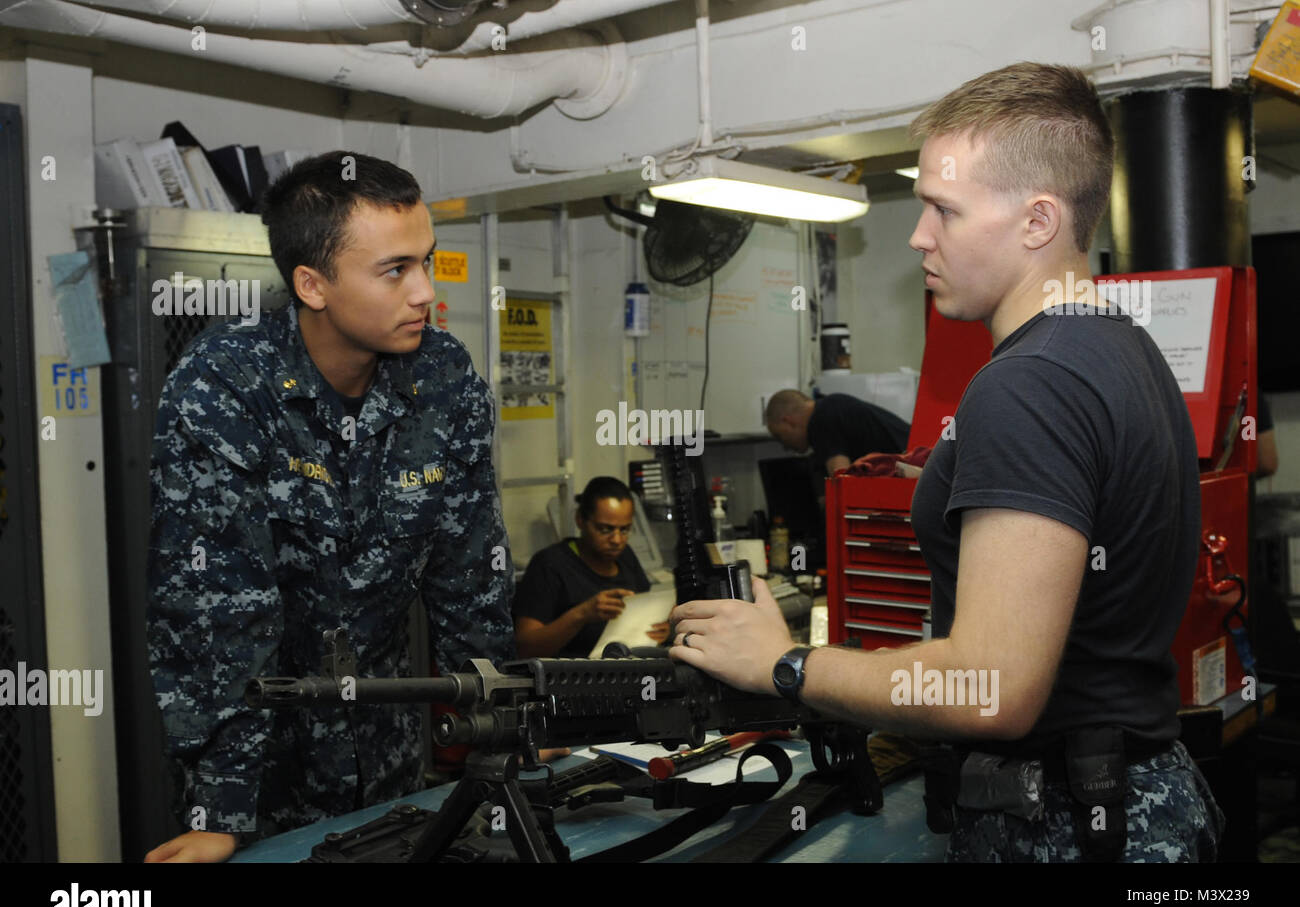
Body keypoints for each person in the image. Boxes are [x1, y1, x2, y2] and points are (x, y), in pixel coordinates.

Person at [669, 62, 1224, 862]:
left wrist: (784, 663)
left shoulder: (1029, 385)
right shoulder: (1126, 348)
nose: (918, 234)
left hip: (1065, 826)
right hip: (1137, 796)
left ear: (1038, 221)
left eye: (943, 209)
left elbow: (990, 687)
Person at [144, 151, 513, 863]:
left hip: (390, 754)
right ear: (312, 284)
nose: (425, 292)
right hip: (258, 769)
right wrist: (221, 806)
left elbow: (472, 577)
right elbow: (214, 609)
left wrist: (495, 740)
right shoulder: (223, 386)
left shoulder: (442, 375)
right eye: (395, 269)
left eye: (427, 261)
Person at [514, 477, 668, 658]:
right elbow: (525, 647)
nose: (617, 540)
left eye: (624, 530)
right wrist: (582, 614)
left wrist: (660, 630)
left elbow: (644, 612)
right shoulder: (550, 565)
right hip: (570, 677)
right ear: (580, 520)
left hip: (624, 668)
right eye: (605, 529)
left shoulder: (626, 556)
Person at [765, 389, 909, 477]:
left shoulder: (819, 420)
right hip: (919, 466)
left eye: (779, 436)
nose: (785, 446)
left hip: (913, 473)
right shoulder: (830, 406)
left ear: (787, 421)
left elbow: (841, 478)